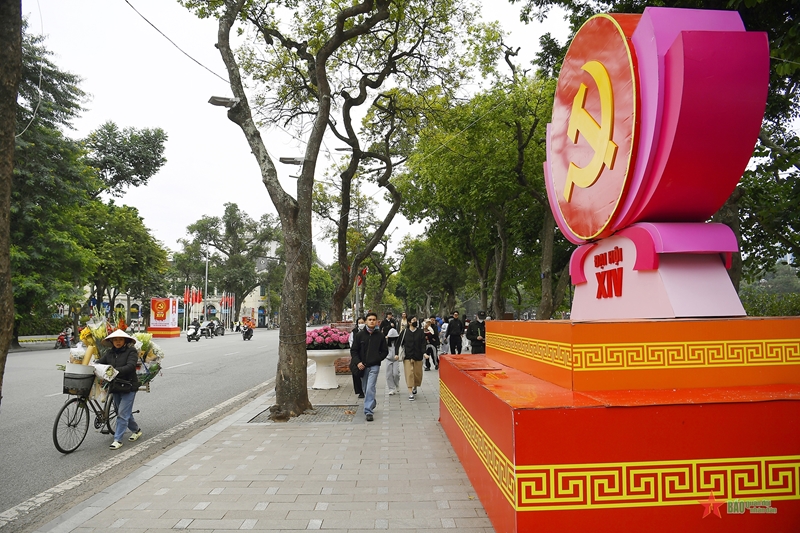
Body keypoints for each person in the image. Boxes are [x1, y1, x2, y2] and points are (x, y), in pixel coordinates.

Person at [96, 329, 142, 450]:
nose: (118, 342)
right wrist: (92, 366)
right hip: (115, 386)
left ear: (125, 341)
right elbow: (100, 363)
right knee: (123, 412)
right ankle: (136, 430)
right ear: (111, 341)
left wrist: (115, 371)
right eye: (115, 340)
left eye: (120, 339)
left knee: (122, 413)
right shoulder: (109, 353)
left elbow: (131, 366)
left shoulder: (131, 351)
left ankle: (118, 439)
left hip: (129, 386)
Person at [350, 312, 388, 421]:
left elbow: (384, 351)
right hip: (362, 366)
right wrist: (358, 362)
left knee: (370, 386)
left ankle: (368, 411)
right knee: (365, 387)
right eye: (370, 319)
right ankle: (372, 402)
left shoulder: (380, 335)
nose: (372, 321)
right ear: (366, 321)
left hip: (374, 366)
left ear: (376, 321)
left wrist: (377, 359)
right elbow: (354, 351)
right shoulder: (359, 335)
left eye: (374, 319)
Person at [400, 316, 426, 401]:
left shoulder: (420, 332)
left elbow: (423, 343)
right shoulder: (404, 332)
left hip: (418, 356)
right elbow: (399, 343)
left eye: (416, 320)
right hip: (407, 356)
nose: (415, 321)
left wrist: (424, 353)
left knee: (417, 374)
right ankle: (410, 392)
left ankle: (415, 386)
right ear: (409, 322)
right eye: (413, 320)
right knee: (409, 374)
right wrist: (397, 354)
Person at [349, 317, 366, 398]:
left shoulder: (368, 332)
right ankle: (360, 391)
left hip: (366, 356)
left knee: (365, 373)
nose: (361, 324)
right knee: (356, 372)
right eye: (359, 322)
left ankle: (366, 389)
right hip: (356, 355)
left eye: (362, 322)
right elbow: (351, 343)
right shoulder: (354, 332)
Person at [385, 327, 401, 395]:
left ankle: (397, 384)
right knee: (389, 374)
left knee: (396, 374)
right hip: (388, 359)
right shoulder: (386, 342)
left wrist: (398, 355)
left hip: (396, 359)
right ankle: (391, 389)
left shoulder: (398, 343)